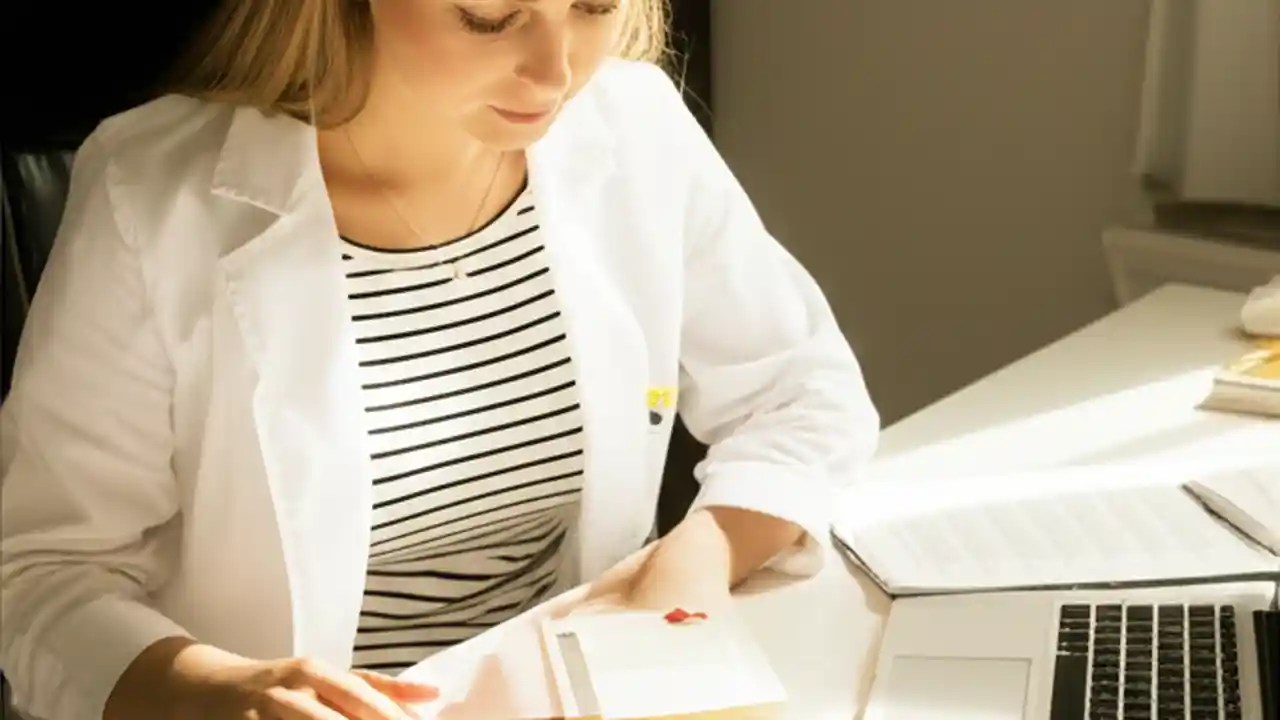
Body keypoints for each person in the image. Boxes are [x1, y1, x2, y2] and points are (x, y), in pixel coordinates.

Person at [0, 0, 880, 718]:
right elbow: (43, 574)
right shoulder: (150, 196)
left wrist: (690, 566)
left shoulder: (632, 122)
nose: (558, 70)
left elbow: (802, 393)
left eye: (592, 6)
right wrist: (208, 691)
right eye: (490, 19)